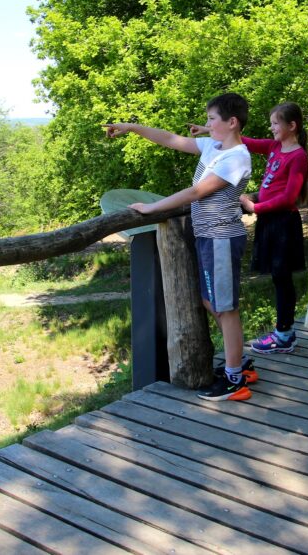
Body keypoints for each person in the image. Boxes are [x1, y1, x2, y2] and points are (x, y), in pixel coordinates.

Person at [105, 92, 254, 402]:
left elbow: (196, 192)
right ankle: (236, 364)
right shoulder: (214, 147)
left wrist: (153, 207)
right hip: (210, 239)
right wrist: (132, 127)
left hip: (221, 239)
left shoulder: (236, 157)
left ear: (232, 122)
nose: (206, 124)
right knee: (213, 302)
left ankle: (234, 378)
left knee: (225, 308)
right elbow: (170, 139)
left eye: (212, 119)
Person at [193, 103, 308, 353]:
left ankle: (285, 333)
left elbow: (290, 198)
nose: (272, 127)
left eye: (276, 123)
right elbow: (243, 140)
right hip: (270, 221)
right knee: (277, 277)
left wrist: (256, 207)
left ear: (292, 126)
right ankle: (284, 331)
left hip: (283, 224)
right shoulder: (275, 146)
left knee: (282, 277)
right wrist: (208, 129)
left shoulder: (298, 156)